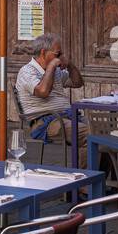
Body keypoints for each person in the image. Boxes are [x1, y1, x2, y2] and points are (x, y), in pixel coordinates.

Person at [15, 33, 87, 164]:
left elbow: (77, 83)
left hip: (66, 116)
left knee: (102, 130)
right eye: (57, 54)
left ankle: (99, 178)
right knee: (90, 133)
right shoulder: (27, 71)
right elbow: (43, 91)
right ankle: (85, 182)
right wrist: (52, 66)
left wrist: (70, 65)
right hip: (44, 121)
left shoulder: (56, 71)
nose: (60, 57)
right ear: (43, 53)